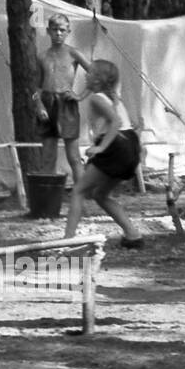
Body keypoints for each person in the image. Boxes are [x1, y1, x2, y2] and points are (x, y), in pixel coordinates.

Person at [64, 60, 142, 248]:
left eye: (89, 73)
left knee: (78, 190)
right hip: (129, 145)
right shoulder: (114, 98)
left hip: (115, 145)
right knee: (100, 194)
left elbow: (114, 122)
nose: (85, 75)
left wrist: (100, 148)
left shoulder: (97, 98)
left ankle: (67, 240)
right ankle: (132, 235)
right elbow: (127, 124)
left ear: (98, 80)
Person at [33, 13, 92, 185]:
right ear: (48, 31)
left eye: (62, 30)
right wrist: (38, 106)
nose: (58, 33)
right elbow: (35, 87)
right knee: (48, 156)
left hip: (67, 105)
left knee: (73, 156)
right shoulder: (42, 56)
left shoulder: (73, 53)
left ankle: (81, 196)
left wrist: (80, 95)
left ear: (68, 32)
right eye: (55, 30)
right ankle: (47, 200)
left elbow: (95, 74)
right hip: (47, 102)